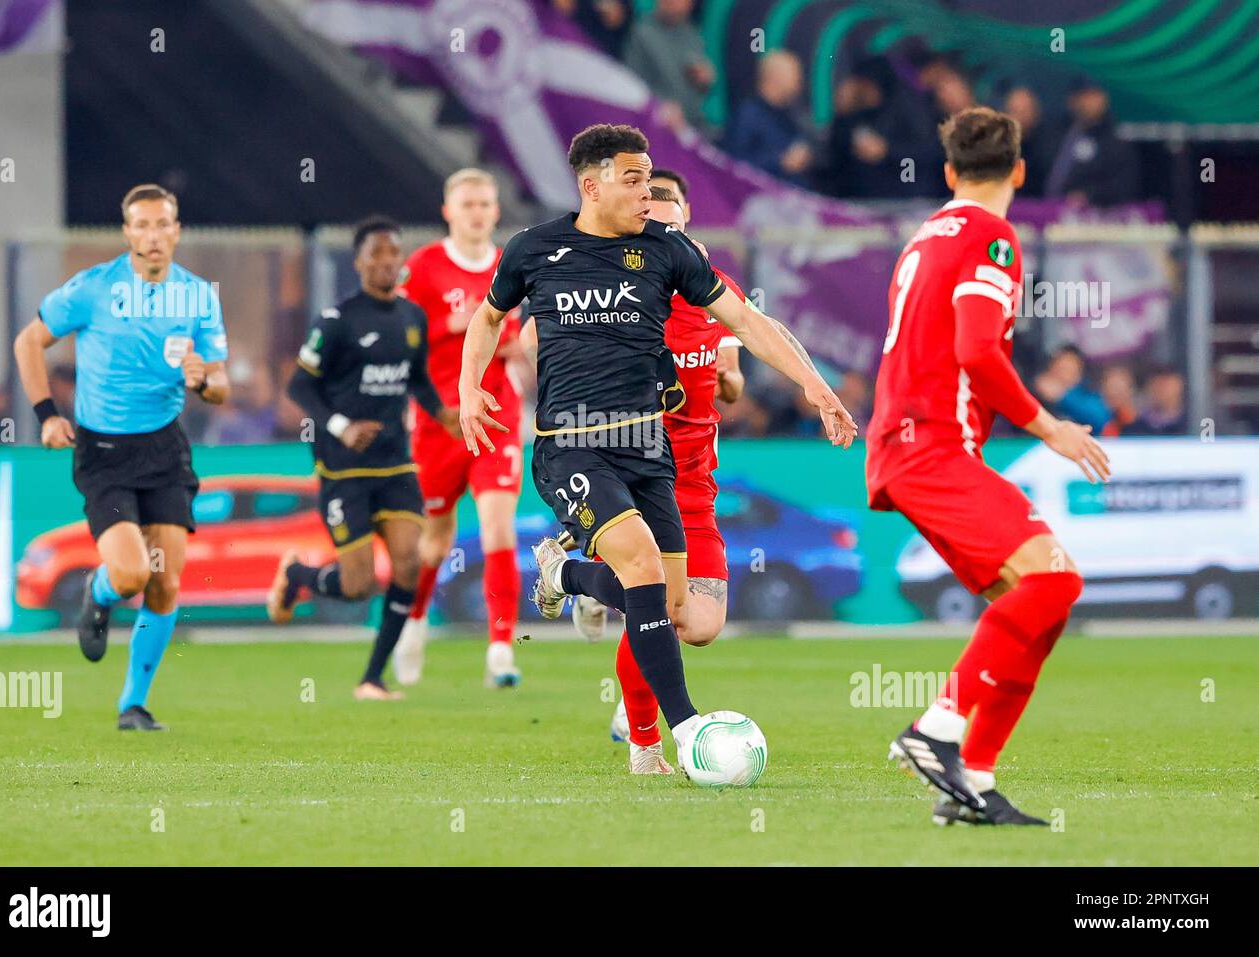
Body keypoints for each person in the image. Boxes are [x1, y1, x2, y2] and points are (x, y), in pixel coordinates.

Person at [457, 123, 857, 771]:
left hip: (651, 455)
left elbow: (749, 323)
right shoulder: (535, 248)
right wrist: (469, 389)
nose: (648, 191)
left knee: (674, 609)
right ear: (592, 185)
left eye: (651, 179)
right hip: (572, 445)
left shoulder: (668, 250)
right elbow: (487, 317)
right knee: (640, 565)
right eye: (635, 179)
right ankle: (686, 729)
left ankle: (567, 580)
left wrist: (813, 384)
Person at [867, 107, 1111, 825]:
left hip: (908, 444)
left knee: (1042, 605)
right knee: (1058, 577)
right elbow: (978, 350)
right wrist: (1050, 427)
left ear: (948, 172)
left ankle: (972, 781)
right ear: (1020, 172)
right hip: (932, 444)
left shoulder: (924, 236)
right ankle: (935, 728)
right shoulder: (992, 237)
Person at [531, 182, 750, 773]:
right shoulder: (618, 298)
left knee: (698, 623)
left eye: (671, 226)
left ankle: (569, 573)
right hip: (629, 467)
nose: (659, 237)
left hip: (694, 485)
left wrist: (731, 380)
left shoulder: (713, 292)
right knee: (647, 590)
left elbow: (733, 377)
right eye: (649, 225)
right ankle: (645, 741)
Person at [12, 183, 230, 731]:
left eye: (163, 225)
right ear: (127, 231)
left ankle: (132, 704)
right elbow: (28, 342)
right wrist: (46, 416)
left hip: (163, 449)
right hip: (103, 451)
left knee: (165, 582)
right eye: (142, 225)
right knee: (132, 573)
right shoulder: (93, 288)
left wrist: (206, 383)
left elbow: (221, 384)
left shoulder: (200, 296)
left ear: (177, 230)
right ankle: (100, 588)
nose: (153, 236)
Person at [266, 216, 457, 701]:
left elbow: (415, 379)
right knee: (358, 585)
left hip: (395, 464)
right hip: (343, 469)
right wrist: (341, 427)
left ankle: (373, 678)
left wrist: (443, 413)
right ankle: (298, 575)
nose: (388, 261)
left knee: (409, 565)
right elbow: (299, 386)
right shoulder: (337, 321)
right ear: (359, 262)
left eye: (394, 253)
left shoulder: (412, 318)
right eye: (377, 254)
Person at [394, 169, 524, 689]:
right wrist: (449, 324)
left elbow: (517, 335)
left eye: (485, 204)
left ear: (496, 211)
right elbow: (397, 337)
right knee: (433, 540)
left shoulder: (509, 264)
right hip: (438, 422)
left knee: (497, 527)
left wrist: (522, 345)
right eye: (467, 203)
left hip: (496, 416)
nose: (477, 212)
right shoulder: (423, 267)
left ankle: (500, 648)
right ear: (448, 210)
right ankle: (415, 621)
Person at [722, 51, 815, 187]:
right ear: (775, 77)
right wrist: (780, 162)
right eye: (795, 76)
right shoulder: (747, 115)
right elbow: (733, 164)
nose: (799, 83)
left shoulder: (790, 114)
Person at [622, 0, 714, 136]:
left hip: (695, 129)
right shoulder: (641, 33)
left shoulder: (693, 36)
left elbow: (701, 93)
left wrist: (705, 80)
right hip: (656, 131)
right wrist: (660, 107)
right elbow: (632, 85)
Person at [1044, 78, 1140, 206]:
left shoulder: (1115, 140)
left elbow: (1123, 184)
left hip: (1087, 217)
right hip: (1042, 210)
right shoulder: (1055, 131)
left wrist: (1089, 195)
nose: (1090, 102)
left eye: (1095, 95)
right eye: (1085, 96)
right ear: (1072, 100)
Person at [1125, 366, 1187, 435]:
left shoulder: (1194, 423)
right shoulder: (1135, 426)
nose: (1160, 386)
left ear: (1179, 384)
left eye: (1165, 380)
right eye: (1155, 380)